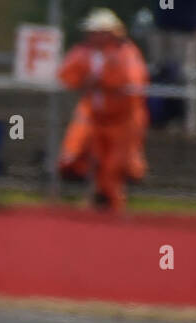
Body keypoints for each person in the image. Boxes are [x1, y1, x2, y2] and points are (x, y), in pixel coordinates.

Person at [57, 9, 149, 212]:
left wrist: (103, 80)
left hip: (124, 120)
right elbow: (66, 75)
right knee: (88, 159)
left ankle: (113, 206)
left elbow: (132, 84)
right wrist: (85, 81)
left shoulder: (126, 53)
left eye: (97, 31)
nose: (91, 36)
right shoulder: (84, 53)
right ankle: (98, 203)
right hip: (96, 117)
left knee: (115, 166)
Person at [149, 0, 196, 137]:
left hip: (186, 27)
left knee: (185, 76)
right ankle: (160, 118)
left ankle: (188, 123)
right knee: (159, 74)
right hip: (161, 24)